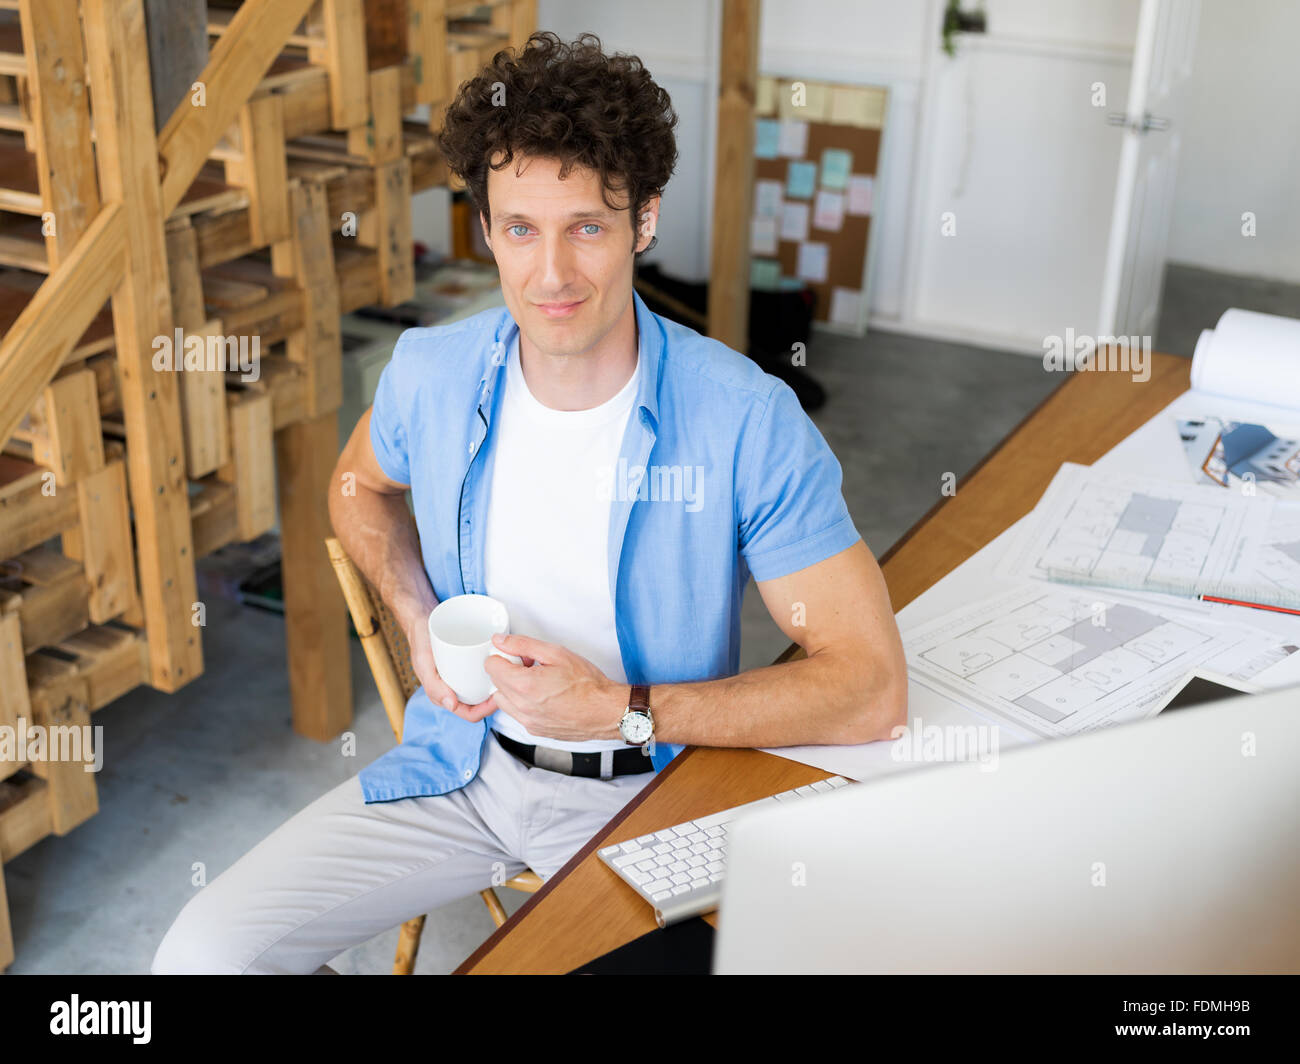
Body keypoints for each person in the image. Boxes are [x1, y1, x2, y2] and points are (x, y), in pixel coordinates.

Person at [151, 31, 906, 975]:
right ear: (485, 229)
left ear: (644, 222)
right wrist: (413, 609)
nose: (550, 274)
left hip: (646, 793)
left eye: (586, 227)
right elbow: (358, 490)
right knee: (203, 960)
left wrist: (620, 709)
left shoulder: (746, 418)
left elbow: (870, 690)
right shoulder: (432, 371)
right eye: (520, 229)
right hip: (457, 774)